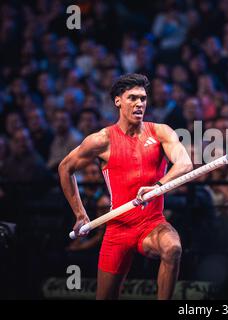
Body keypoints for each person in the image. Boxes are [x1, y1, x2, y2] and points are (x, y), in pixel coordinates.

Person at [58, 74, 193, 300]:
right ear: (118, 101)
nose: (139, 103)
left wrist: (157, 186)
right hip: (118, 228)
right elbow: (65, 168)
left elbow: (185, 163)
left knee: (173, 248)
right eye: (132, 98)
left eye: (143, 98)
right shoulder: (102, 140)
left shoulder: (160, 132)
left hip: (152, 224)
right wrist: (80, 214)